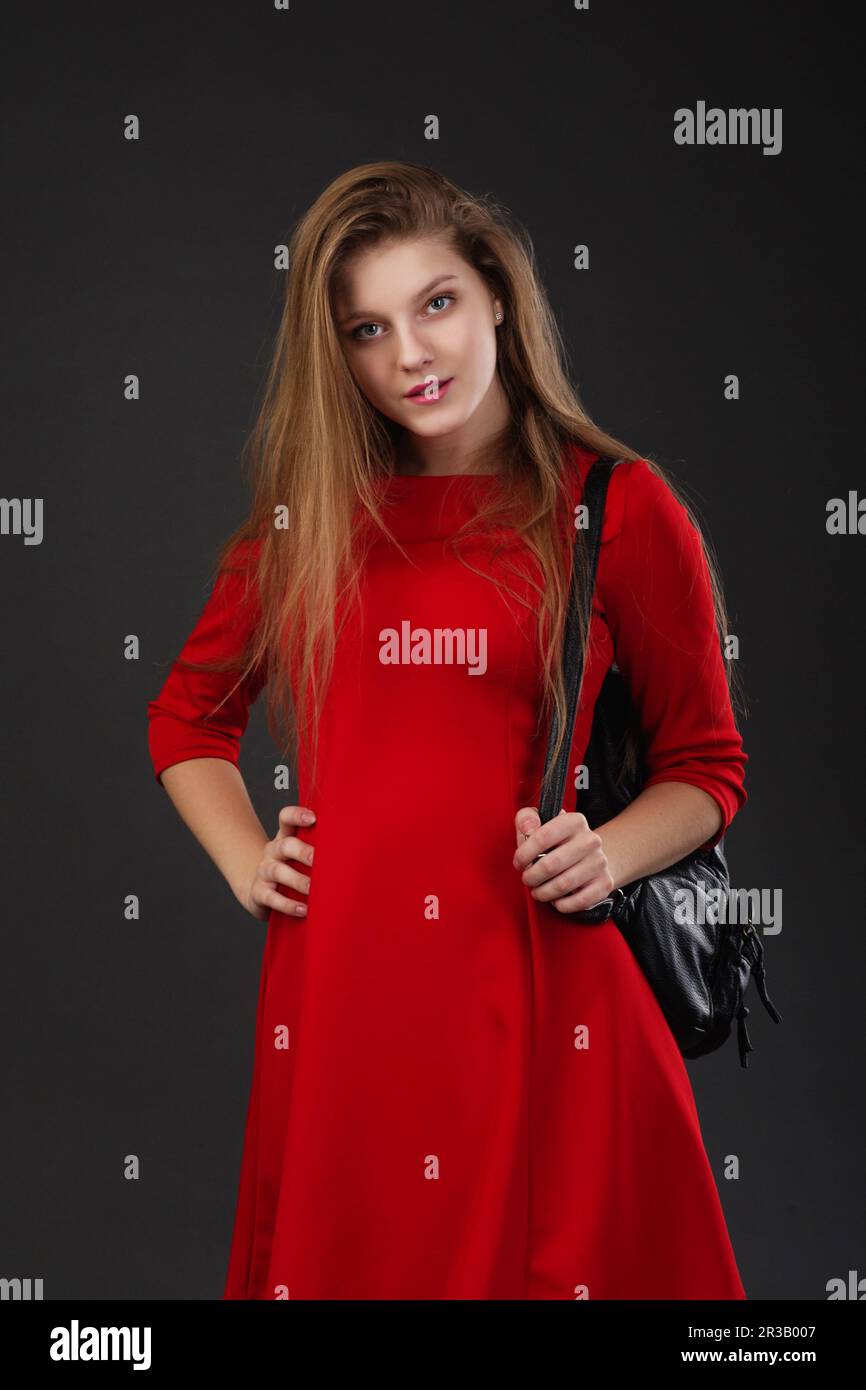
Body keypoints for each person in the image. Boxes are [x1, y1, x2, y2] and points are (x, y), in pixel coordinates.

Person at [146, 160, 749, 1300]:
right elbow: (186, 715)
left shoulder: (615, 507)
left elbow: (706, 766)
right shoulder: (309, 522)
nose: (409, 355)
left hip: (545, 996)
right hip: (344, 1005)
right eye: (366, 328)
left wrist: (606, 851)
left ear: (497, 299)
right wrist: (244, 855)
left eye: (434, 305)